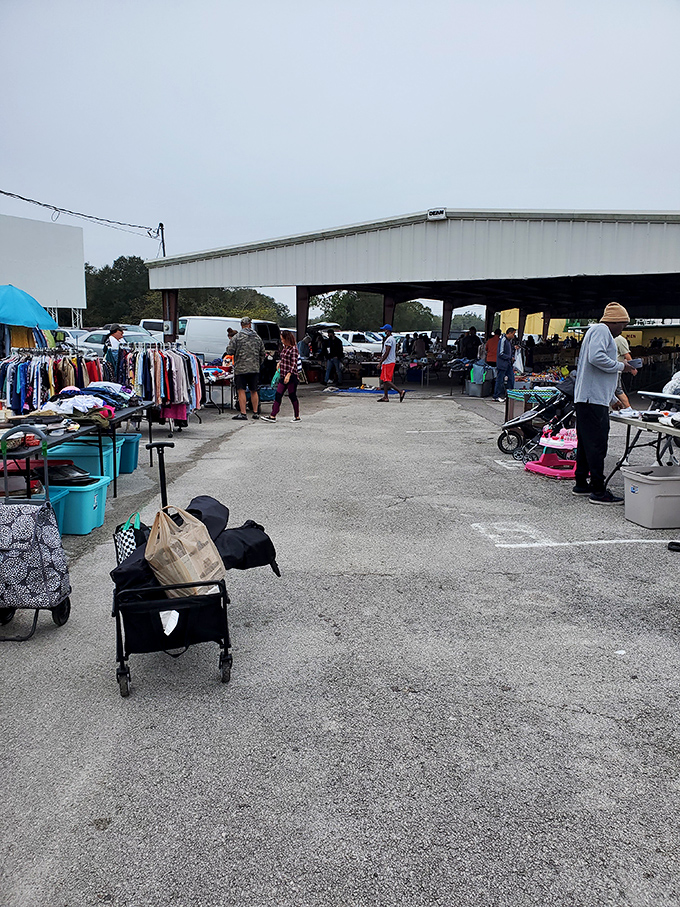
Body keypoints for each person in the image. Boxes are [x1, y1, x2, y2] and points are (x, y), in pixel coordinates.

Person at [573, 302, 638, 505]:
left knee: (585, 443)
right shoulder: (602, 330)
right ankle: (599, 490)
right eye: (623, 324)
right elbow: (597, 358)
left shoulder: (596, 331)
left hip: (589, 398)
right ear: (615, 321)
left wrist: (612, 399)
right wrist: (622, 366)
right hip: (592, 401)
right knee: (597, 444)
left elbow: (596, 374)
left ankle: (582, 482)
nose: (623, 329)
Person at [227, 315, 266, 421]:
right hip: (254, 368)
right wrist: (258, 363)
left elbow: (229, 351)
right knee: (254, 390)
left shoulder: (237, 337)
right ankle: (255, 412)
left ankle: (243, 413)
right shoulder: (257, 338)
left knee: (241, 390)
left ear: (241, 325)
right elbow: (263, 352)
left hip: (241, 368)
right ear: (250, 325)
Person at [262, 330, 301, 424]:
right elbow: (284, 358)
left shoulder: (294, 349)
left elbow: (293, 363)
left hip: (291, 376)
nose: (281, 340)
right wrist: (280, 363)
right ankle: (273, 415)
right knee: (278, 394)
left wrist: (289, 374)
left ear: (287, 339)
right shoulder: (285, 348)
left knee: (292, 395)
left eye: (283, 339)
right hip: (282, 375)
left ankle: (297, 416)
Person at [377, 324, 405, 403]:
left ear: (387, 331)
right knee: (385, 380)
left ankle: (400, 392)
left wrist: (380, 362)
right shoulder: (393, 339)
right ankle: (385, 396)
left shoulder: (389, 340)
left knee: (386, 380)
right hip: (390, 361)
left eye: (384, 330)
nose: (383, 332)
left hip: (387, 362)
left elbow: (387, 352)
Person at [493, 328, 517, 401]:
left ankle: (510, 395)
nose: (513, 336)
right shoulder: (503, 340)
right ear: (509, 333)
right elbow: (501, 353)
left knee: (511, 379)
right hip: (502, 364)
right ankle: (496, 396)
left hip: (508, 364)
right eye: (513, 334)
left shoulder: (508, 341)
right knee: (500, 380)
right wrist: (509, 357)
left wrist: (513, 348)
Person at [614, 331, 633, 409]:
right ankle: (623, 407)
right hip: (613, 368)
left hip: (615, 370)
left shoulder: (619, 339)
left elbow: (626, 355)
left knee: (618, 390)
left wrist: (632, 367)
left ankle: (628, 408)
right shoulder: (615, 339)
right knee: (616, 389)